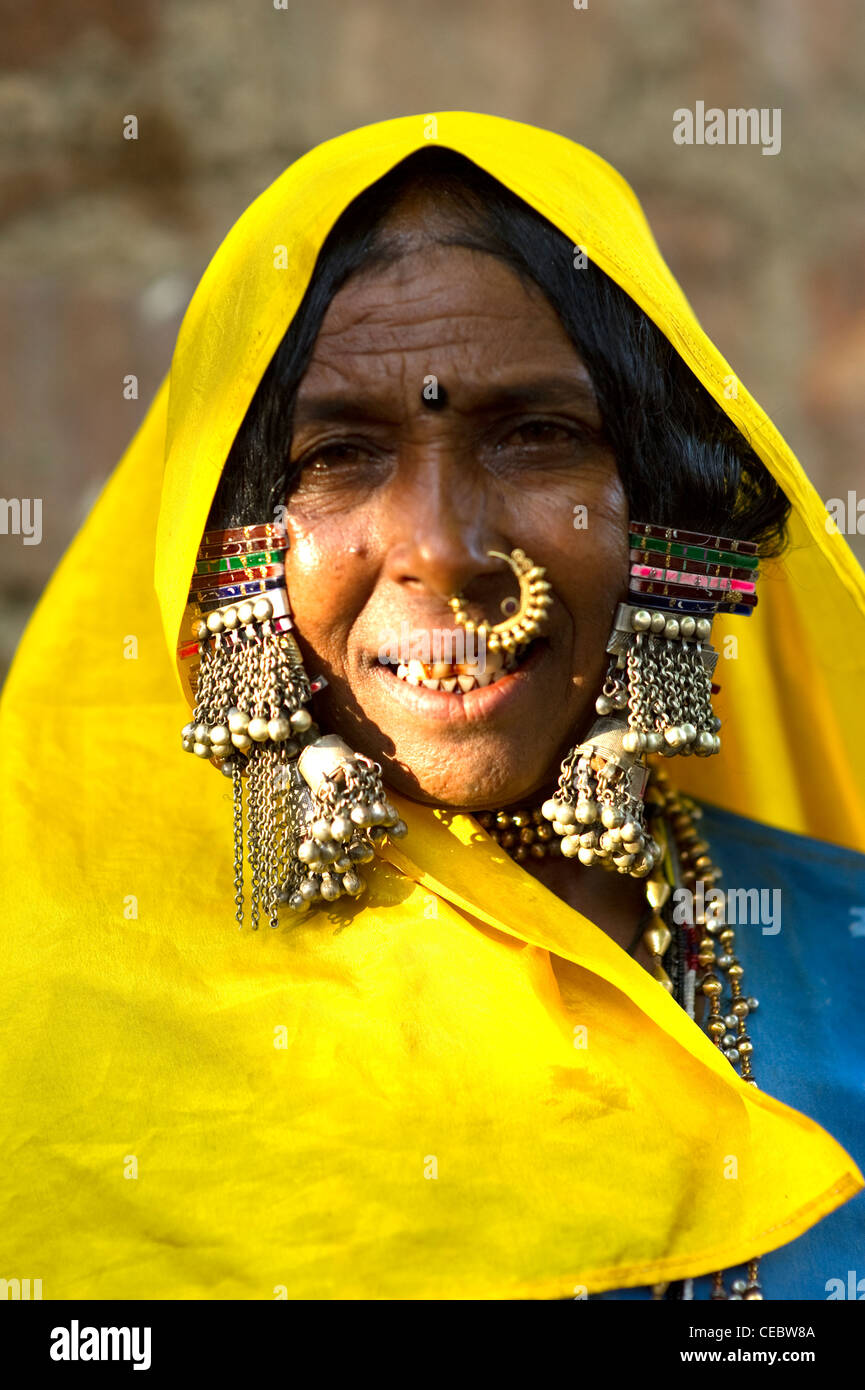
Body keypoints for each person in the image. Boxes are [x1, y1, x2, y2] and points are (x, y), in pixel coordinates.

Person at [1, 112, 863, 1302]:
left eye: (538, 435)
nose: (444, 551)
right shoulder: (51, 1014)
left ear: (664, 508)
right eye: (336, 455)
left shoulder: (838, 949)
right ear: (229, 548)